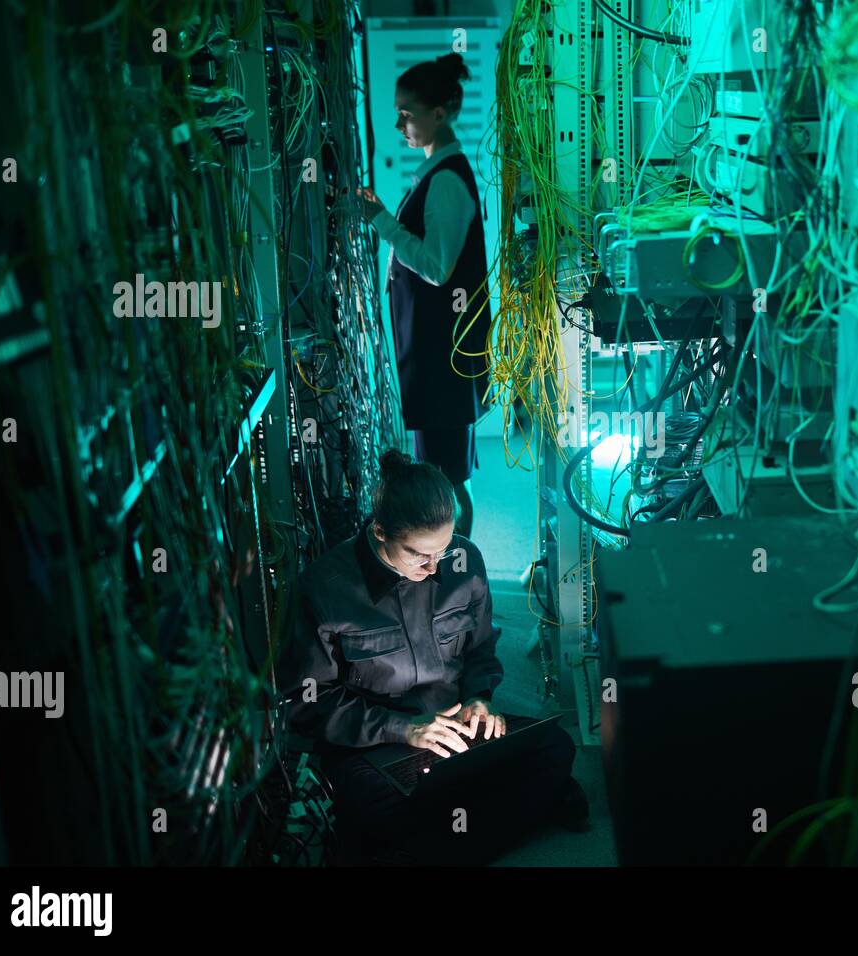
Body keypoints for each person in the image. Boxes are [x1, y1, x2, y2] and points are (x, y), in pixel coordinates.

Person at [283, 449, 588, 866]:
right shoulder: (325, 589)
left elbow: (481, 648)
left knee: (555, 747)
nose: (434, 567)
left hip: (459, 731)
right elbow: (308, 703)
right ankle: (505, 820)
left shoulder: (463, 561)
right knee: (375, 807)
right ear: (379, 531)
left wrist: (480, 697)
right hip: (376, 747)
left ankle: (436, 844)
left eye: (442, 550)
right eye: (418, 555)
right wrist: (403, 729)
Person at [354, 51, 491, 538]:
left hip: (444, 361)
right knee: (445, 475)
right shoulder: (436, 172)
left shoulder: (448, 181)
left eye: (406, 114)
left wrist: (382, 222)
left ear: (439, 112)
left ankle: (454, 579)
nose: (398, 125)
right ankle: (452, 577)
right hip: (437, 358)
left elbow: (437, 267)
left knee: (447, 481)